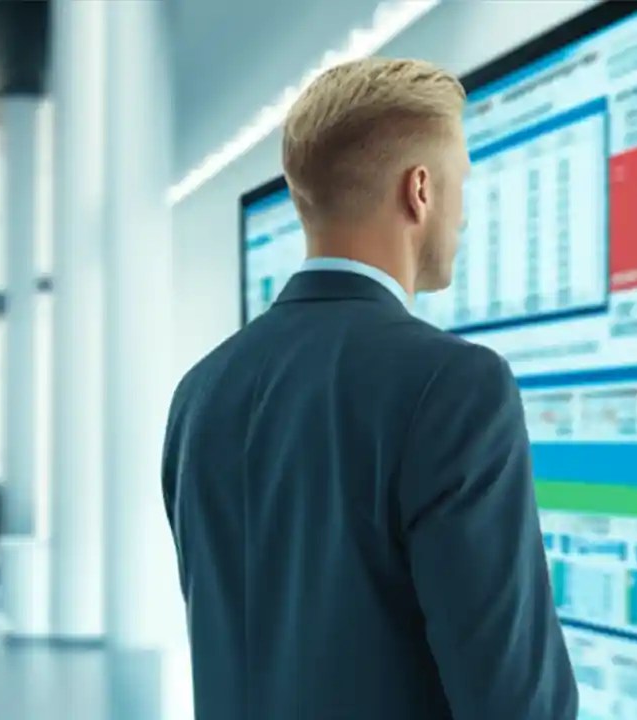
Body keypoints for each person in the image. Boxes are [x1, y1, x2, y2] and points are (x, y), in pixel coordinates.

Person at [162, 57, 577, 720]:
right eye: (459, 184)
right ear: (420, 190)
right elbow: (516, 704)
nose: (463, 216)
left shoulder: (200, 392)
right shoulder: (455, 385)